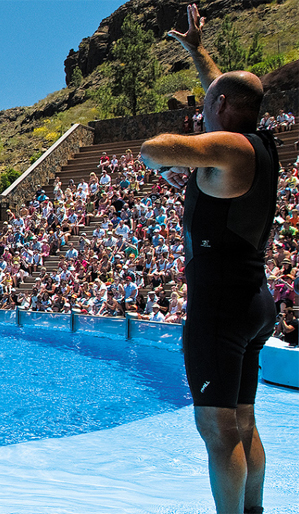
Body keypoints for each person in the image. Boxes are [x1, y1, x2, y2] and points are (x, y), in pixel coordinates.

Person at [140, 5, 280, 513]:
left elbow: (155, 148)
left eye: (206, 104)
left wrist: (169, 159)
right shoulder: (258, 144)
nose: (201, 108)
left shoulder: (230, 149)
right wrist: (198, 51)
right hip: (251, 299)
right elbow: (225, 93)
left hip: (220, 309)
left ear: (219, 108)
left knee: (218, 429)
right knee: (243, 420)